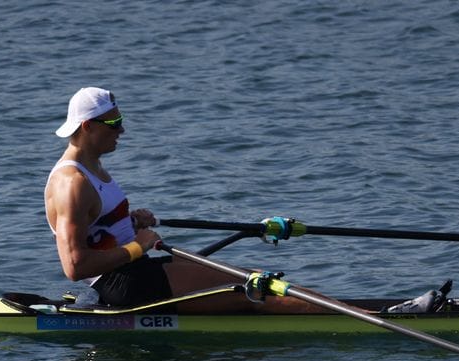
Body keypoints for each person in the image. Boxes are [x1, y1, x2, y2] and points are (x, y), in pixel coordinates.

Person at [45, 87, 326, 314]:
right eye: (114, 123)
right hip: (123, 284)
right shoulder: (72, 183)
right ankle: (349, 317)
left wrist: (128, 222)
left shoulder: (92, 167)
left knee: (256, 278)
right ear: (87, 127)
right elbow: (75, 266)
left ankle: (347, 310)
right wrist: (137, 246)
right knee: (255, 291)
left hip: (134, 270)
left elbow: (96, 228)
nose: (122, 130)